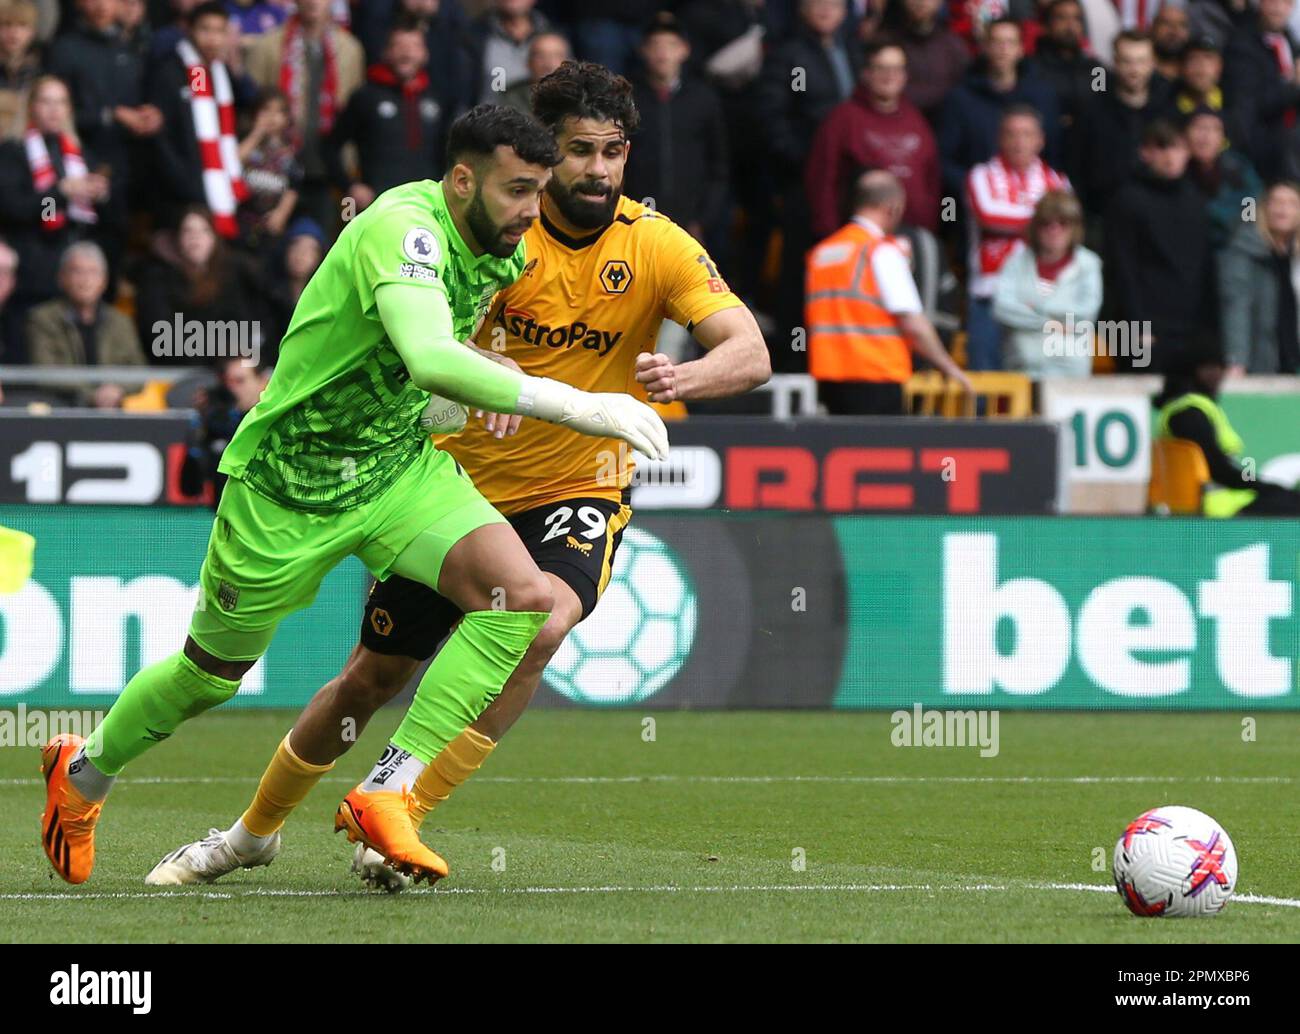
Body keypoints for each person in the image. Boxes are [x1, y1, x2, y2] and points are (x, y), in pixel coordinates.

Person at [145, 61, 769, 890]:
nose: (598, 170)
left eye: (613, 151)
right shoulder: (492, 231)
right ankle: (246, 836)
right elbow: (423, 340)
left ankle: (396, 800)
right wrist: (481, 366)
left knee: (541, 625)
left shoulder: (653, 243)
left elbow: (752, 350)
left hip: (576, 485)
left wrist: (687, 378)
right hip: (453, 482)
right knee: (370, 679)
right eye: (579, 151)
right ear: (543, 155)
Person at [39, 103, 671, 887]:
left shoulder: (503, 251)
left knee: (523, 600)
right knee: (208, 677)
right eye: (515, 190)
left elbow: (436, 361)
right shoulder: (400, 227)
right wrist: (578, 404)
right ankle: (84, 773)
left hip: (398, 470)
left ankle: (390, 790)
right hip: (286, 488)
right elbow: (429, 355)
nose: (529, 212)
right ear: (463, 178)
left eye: (538, 191)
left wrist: (496, 375)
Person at [807, 169, 970, 416]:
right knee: (880, 455)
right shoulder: (881, 252)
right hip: (877, 377)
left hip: (829, 379)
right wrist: (947, 366)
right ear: (892, 207)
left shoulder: (823, 253)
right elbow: (912, 321)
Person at [0, 74, 108, 358]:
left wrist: (100, 193)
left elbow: (101, 210)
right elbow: (16, 208)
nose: (53, 109)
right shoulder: (13, 151)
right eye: (46, 101)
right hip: (33, 273)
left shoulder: (77, 152)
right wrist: (59, 193)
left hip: (73, 264)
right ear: (32, 107)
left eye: (60, 102)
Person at [1104, 118, 1214, 372]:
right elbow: (1123, 270)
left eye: (1177, 148)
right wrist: (1137, 326)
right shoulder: (1126, 200)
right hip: (1142, 331)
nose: (1171, 156)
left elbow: (1206, 268)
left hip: (1191, 329)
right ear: (1145, 152)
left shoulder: (1196, 201)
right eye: (1162, 147)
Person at [964, 105, 1070, 369]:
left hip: (1042, 297)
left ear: (1040, 140)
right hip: (990, 294)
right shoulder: (980, 175)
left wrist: (1029, 221)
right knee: (986, 383)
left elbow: (1069, 228)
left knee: (1038, 379)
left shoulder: (1057, 181)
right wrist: (1044, 219)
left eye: (1026, 134)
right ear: (1000, 138)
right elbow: (989, 215)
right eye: (1011, 134)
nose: (1019, 141)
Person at [806, 39, 941, 238]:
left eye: (896, 69)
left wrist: (928, 230)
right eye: (881, 68)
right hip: (858, 238)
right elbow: (822, 181)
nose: (889, 75)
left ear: (905, 76)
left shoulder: (916, 119)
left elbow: (932, 179)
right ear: (866, 73)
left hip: (910, 238)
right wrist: (830, 234)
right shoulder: (843, 118)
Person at [1153, 336, 1300, 515]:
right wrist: (1263, 487)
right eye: (1213, 367)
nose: (1219, 374)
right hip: (1221, 506)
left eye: (1221, 367)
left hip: (1211, 502)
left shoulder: (1176, 409)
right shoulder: (1190, 413)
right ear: (1193, 370)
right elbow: (1218, 469)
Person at [148, 2, 256, 236]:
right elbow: (160, 138)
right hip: (180, 196)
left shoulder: (221, 72)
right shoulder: (170, 72)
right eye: (205, 29)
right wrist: (187, 183)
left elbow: (252, 102)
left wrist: (237, 67)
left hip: (217, 191)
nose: (213, 39)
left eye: (220, 31)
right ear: (189, 30)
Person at [626, 14, 729, 247]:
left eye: (671, 45)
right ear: (643, 51)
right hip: (638, 219)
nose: (663, 53)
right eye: (655, 46)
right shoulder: (628, 98)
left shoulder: (704, 98)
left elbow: (719, 164)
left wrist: (703, 219)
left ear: (685, 50)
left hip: (692, 223)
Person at [326, 18, 445, 209]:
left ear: (425, 54)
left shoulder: (438, 97)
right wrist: (350, 186)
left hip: (427, 207)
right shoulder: (365, 96)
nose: (406, 53)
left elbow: (448, 153)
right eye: (399, 46)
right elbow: (330, 146)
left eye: (414, 46)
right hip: (378, 207)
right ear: (386, 52)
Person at [937, 16, 1061, 198]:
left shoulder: (1043, 97)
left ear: (1021, 49)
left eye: (1010, 42)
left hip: (1034, 201)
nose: (1003, 49)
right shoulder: (960, 99)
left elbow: (1054, 153)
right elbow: (944, 160)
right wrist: (978, 188)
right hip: (975, 201)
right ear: (985, 48)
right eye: (996, 42)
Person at [992, 189, 1102, 376]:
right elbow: (1001, 308)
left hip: (1071, 371)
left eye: (1063, 223)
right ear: (1036, 227)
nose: (1054, 230)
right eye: (1046, 224)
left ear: (1074, 228)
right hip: (1022, 369)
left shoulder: (1089, 264)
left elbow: (1086, 314)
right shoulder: (1015, 261)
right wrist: (1052, 323)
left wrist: (1033, 309)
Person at [27, 241, 145, 407]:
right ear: (62, 278)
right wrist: (92, 395)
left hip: (112, 411)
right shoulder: (42, 319)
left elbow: (139, 370)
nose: (85, 280)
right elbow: (46, 373)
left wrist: (117, 390)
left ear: (104, 281)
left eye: (93, 272)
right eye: (77, 271)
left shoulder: (121, 322)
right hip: (61, 410)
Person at [1217, 180, 1300, 374]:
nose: (1283, 209)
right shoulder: (1243, 250)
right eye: (1276, 202)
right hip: (1262, 358)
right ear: (1264, 208)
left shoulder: (1295, 256)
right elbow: (1236, 307)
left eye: (1291, 203)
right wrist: (1236, 360)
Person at [1184, 107, 1261, 250]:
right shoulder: (1175, 170)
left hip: (1232, 245)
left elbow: (1252, 200)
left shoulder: (1237, 167)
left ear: (1222, 138)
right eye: (1199, 128)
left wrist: (1236, 222)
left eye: (1214, 129)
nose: (1205, 136)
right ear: (1185, 134)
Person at [499, 30, 570, 114]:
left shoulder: (580, 96)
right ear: (528, 62)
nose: (548, 64)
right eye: (540, 56)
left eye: (557, 56)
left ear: (569, 63)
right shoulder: (511, 96)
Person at [0, 0, 41, 140]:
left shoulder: (39, 70)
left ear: (32, 31)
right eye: (6, 25)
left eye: (22, 25)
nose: (14, 33)